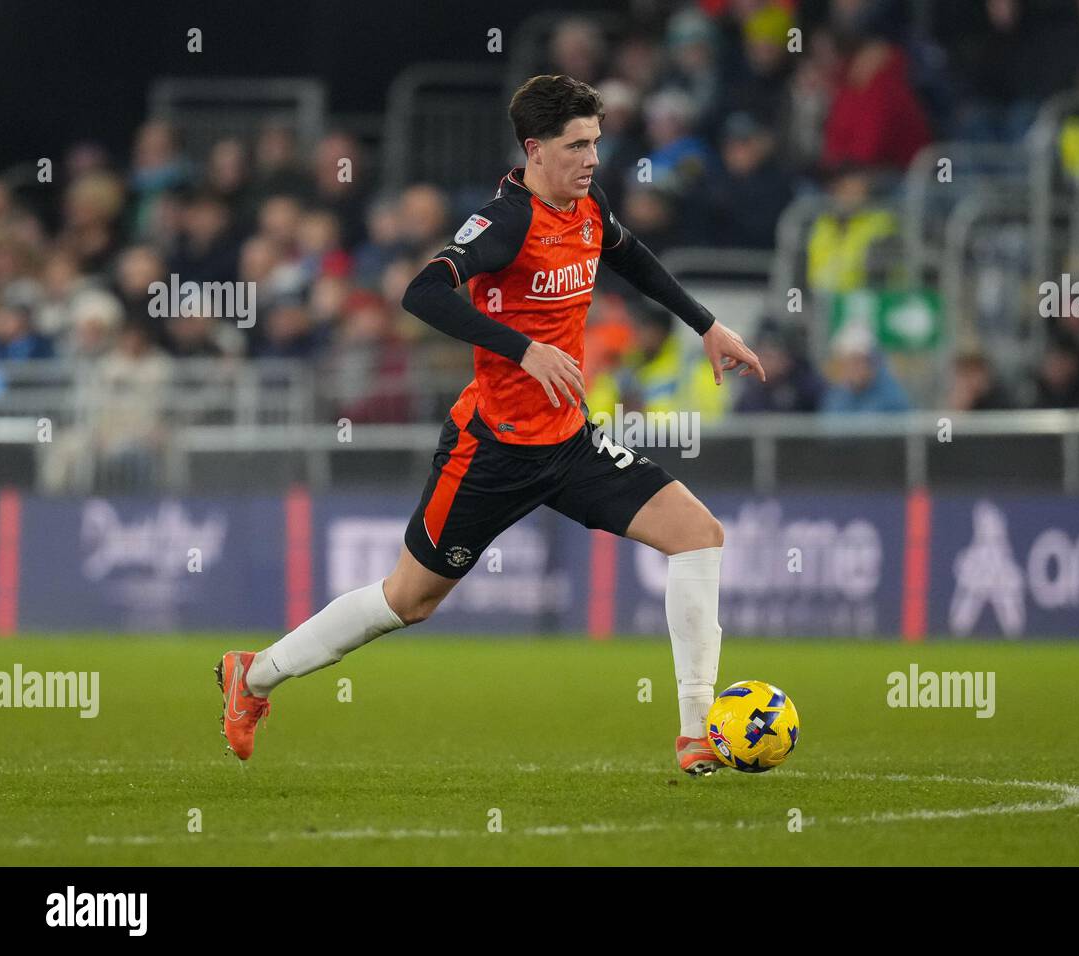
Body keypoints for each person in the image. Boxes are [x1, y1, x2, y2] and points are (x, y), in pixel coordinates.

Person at [216, 75, 766, 776]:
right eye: (577, 145)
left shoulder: (586, 202)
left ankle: (695, 732)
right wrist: (524, 348)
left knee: (699, 535)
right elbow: (423, 293)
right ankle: (253, 676)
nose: (593, 158)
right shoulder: (505, 221)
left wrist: (708, 325)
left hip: (570, 442)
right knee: (406, 601)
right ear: (535, 150)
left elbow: (626, 253)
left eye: (596, 142)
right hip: (491, 451)